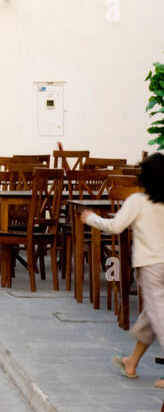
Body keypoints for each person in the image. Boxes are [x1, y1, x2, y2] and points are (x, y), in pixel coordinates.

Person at [81, 152, 164, 388]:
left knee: (159, 318)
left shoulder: (137, 201)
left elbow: (115, 227)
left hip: (151, 266)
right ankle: (131, 363)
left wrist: (91, 218)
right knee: (151, 317)